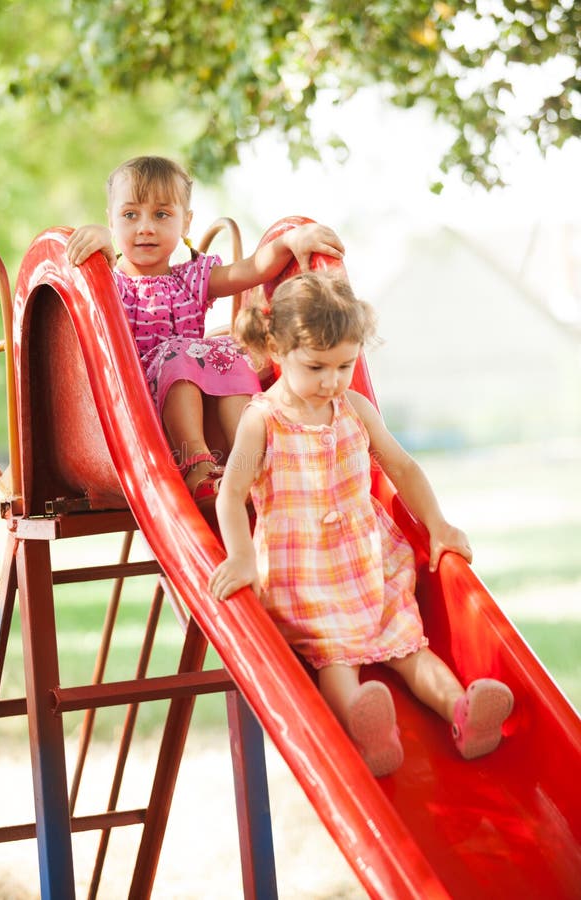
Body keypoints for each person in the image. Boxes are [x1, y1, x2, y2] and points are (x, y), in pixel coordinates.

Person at [208, 271, 514, 777]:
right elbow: (232, 492)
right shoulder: (261, 420)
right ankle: (364, 728)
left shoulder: (353, 408)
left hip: (366, 562)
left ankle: (463, 711)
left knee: (409, 643)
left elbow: (402, 467)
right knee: (336, 657)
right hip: (301, 571)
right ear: (277, 351)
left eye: (345, 365)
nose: (331, 380)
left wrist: (437, 523)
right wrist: (240, 556)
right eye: (317, 366)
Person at [66, 155, 344, 510]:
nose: (145, 227)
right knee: (181, 353)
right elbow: (73, 304)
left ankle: (254, 460)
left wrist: (291, 241)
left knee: (228, 351)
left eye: (162, 214)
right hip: (135, 406)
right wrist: (100, 243)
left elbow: (252, 269)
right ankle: (197, 468)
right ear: (111, 219)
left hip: (190, 385)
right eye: (129, 215)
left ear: (186, 222)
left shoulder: (191, 278)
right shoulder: (107, 282)